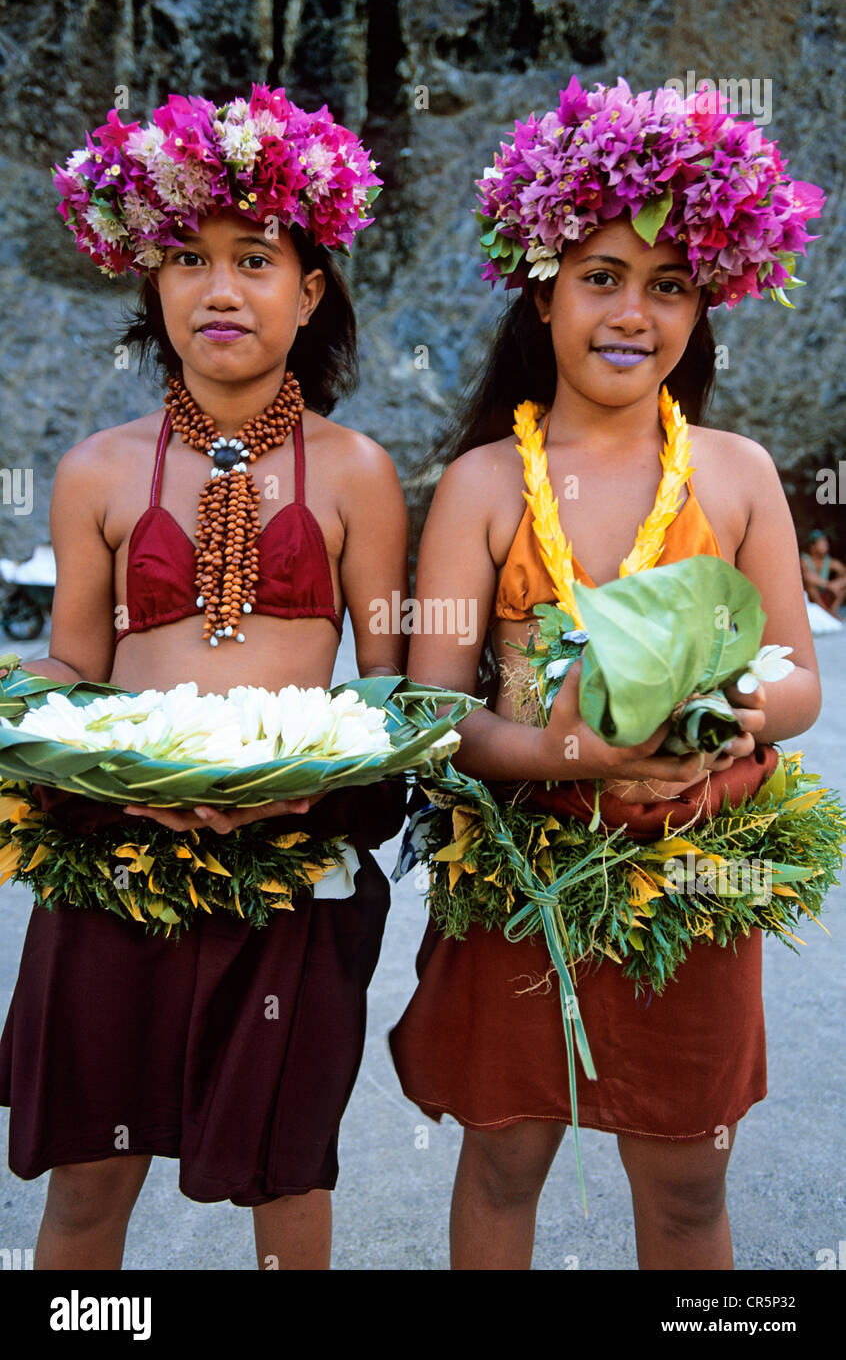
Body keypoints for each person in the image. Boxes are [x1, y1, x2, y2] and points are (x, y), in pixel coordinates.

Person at [390, 77, 826, 1270]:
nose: (633, 312)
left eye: (669, 283)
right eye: (600, 277)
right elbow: (434, 715)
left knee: (688, 1178)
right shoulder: (483, 484)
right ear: (542, 291)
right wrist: (562, 752)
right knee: (503, 1155)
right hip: (522, 867)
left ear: (704, 302)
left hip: (695, 872)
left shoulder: (737, 475)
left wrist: (733, 713)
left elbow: (798, 684)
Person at [0, 85, 409, 1270]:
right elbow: (74, 658)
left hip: (289, 871)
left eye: (255, 257)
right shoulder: (98, 470)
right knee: (84, 1182)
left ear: (311, 287)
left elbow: (391, 686)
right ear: (150, 284)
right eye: (186, 257)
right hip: (114, 853)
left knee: (285, 1182)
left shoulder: (356, 473)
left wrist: (309, 785)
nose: (220, 288)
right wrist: (60, 728)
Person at [801, 531, 846, 618]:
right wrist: (828, 585)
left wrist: (837, 583)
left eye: (826, 542)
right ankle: (825, 612)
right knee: (810, 586)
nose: (826, 544)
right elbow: (807, 577)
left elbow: (843, 571)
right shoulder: (805, 560)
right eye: (822, 542)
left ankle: (832, 612)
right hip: (811, 599)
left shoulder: (828, 561)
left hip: (824, 595)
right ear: (812, 546)